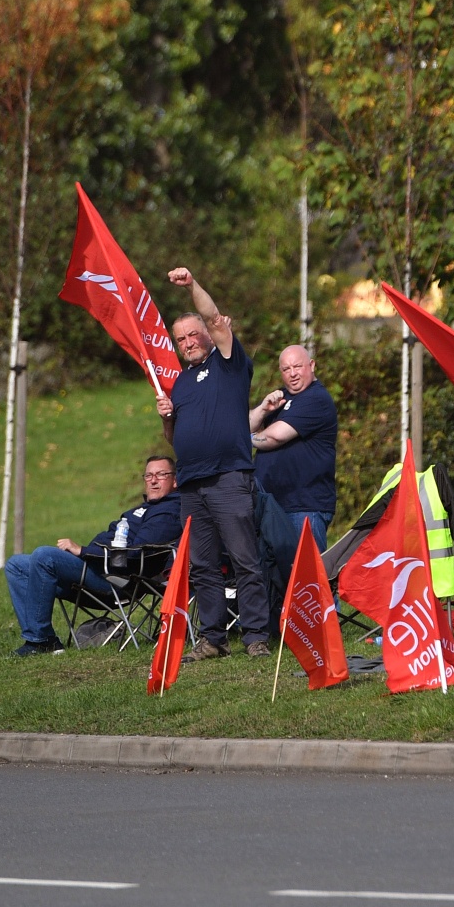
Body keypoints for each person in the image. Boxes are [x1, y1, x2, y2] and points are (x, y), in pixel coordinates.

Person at [156, 267, 270, 660]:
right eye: (181, 339)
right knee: (203, 566)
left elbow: (215, 318)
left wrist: (192, 287)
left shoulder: (228, 362)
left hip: (228, 477)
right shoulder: (180, 383)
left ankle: (256, 636)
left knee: (243, 559)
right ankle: (213, 639)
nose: (188, 342)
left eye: (193, 334)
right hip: (191, 484)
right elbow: (173, 439)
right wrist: (167, 416)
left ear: (207, 334)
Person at [3, 456, 184, 655]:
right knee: (16, 564)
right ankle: (44, 638)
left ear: (175, 480)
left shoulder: (169, 511)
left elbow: (136, 554)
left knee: (45, 556)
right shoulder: (140, 510)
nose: (153, 480)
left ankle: (39, 641)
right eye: (149, 475)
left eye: (161, 474)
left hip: (118, 581)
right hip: (98, 567)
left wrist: (84, 551)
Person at [250, 343, 339, 628]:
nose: (292, 374)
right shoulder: (281, 402)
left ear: (311, 365)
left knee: (308, 575)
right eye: (286, 369)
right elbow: (250, 425)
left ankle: (320, 629)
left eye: (298, 366)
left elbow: (273, 438)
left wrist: (238, 438)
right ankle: (285, 628)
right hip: (273, 504)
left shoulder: (316, 400)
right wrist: (264, 408)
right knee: (276, 573)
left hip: (305, 505)